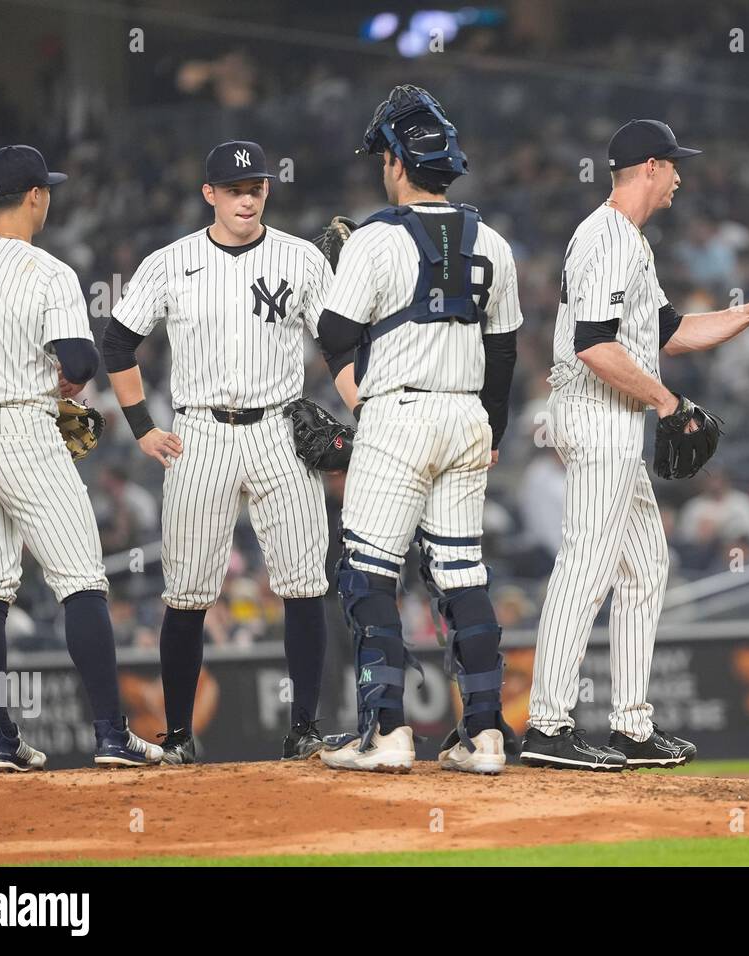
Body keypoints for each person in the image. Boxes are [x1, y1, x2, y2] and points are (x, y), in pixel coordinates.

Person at [521, 119, 749, 771]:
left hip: (617, 415)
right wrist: (668, 403)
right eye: (675, 165)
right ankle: (546, 726)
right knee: (587, 564)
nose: (681, 176)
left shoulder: (631, 242)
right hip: (596, 412)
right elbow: (593, 344)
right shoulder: (605, 236)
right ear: (650, 167)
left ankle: (631, 728)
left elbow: (669, 333)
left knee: (646, 567)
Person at [313, 85, 523, 775]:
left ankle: (386, 733)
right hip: (467, 417)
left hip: (400, 413)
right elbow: (504, 354)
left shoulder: (373, 239)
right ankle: (486, 737)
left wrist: (365, 404)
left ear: (399, 163)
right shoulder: (493, 241)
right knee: (462, 573)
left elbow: (336, 334)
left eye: (384, 156)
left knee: (369, 573)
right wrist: (491, 431)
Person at [104, 141, 334, 764]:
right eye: (234, 188)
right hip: (199, 431)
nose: (247, 197)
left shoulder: (302, 258)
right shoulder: (170, 262)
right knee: (186, 594)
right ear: (209, 194)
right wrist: (143, 428)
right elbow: (117, 344)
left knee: (306, 583)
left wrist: (361, 405)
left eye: (256, 186)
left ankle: (304, 730)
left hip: (279, 428)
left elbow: (339, 343)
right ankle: (178, 735)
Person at [0, 144, 162, 771]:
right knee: (83, 582)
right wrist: (66, 382)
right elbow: (84, 361)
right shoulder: (48, 272)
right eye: (48, 190)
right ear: (35, 195)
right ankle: (111, 735)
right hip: (19, 429)